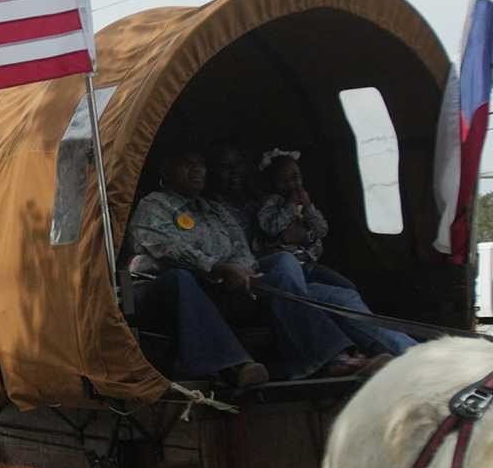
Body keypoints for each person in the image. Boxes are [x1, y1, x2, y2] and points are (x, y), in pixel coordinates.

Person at [126, 148, 379, 385]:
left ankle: (332, 359)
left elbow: (239, 246)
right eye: (187, 164)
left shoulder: (211, 209)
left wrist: (244, 271)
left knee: (281, 264)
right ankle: (231, 366)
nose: (197, 170)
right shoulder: (153, 206)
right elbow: (167, 248)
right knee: (179, 277)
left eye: (200, 164)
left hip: (219, 289)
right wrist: (216, 267)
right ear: (166, 171)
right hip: (167, 290)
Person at [249, 149, 413, 356]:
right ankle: (388, 351)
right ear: (272, 182)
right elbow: (271, 227)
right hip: (290, 275)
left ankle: (371, 347)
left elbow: (321, 230)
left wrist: (307, 208)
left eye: (296, 177)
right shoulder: (271, 204)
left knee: (348, 289)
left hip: (309, 266)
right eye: (284, 180)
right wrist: (291, 207)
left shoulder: (305, 204)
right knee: (340, 303)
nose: (292, 185)